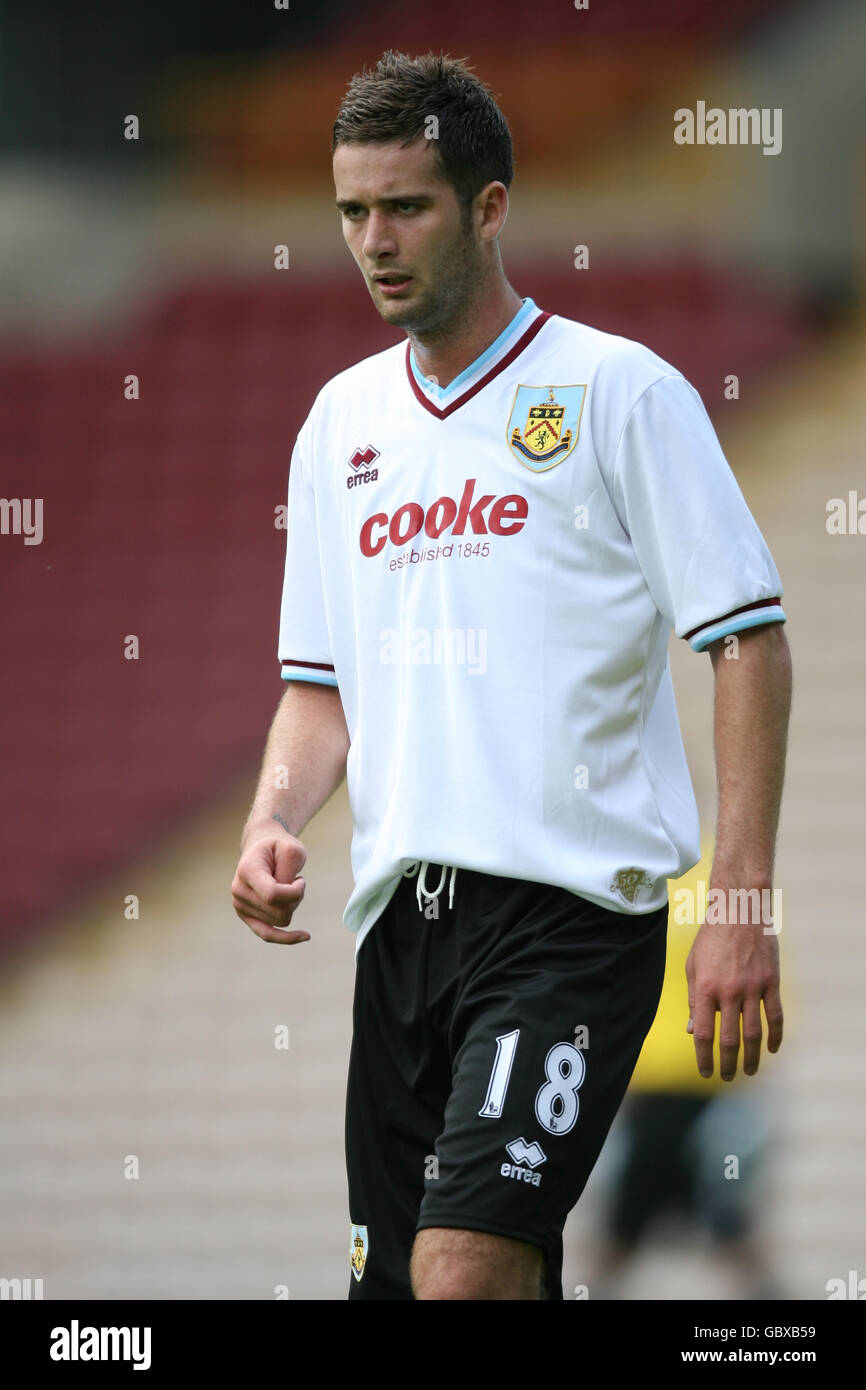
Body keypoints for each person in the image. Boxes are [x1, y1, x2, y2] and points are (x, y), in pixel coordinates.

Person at [230, 51, 792, 1301]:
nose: (373, 241)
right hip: (401, 931)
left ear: (488, 207)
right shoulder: (338, 426)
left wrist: (739, 903)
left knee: (464, 1266)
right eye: (350, 212)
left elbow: (745, 638)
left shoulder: (615, 392)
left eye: (406, 206)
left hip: (568, 919)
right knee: (435, 1285)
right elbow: (319, 685)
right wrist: (273, 817)